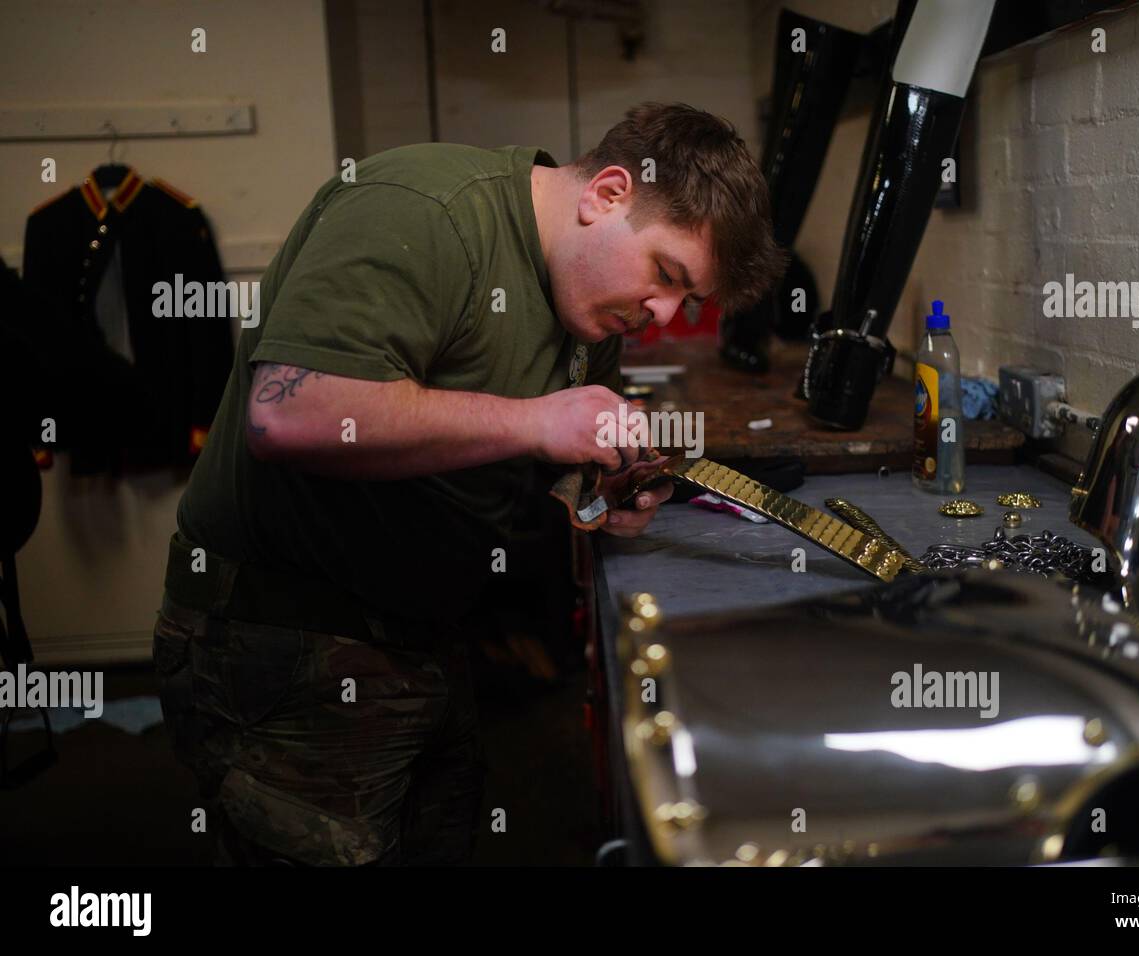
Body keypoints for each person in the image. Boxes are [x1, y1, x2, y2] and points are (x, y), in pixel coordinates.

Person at [152, 101, 786, 865]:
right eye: (665, 275)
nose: (662, 313)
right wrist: (535, 422)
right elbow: (291, 414)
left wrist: (601, 489)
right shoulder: (425, 210)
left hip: (424, 634)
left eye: (689, 300)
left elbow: (536, 449)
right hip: (285, 640)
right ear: (607, 194)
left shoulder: (589, 306)